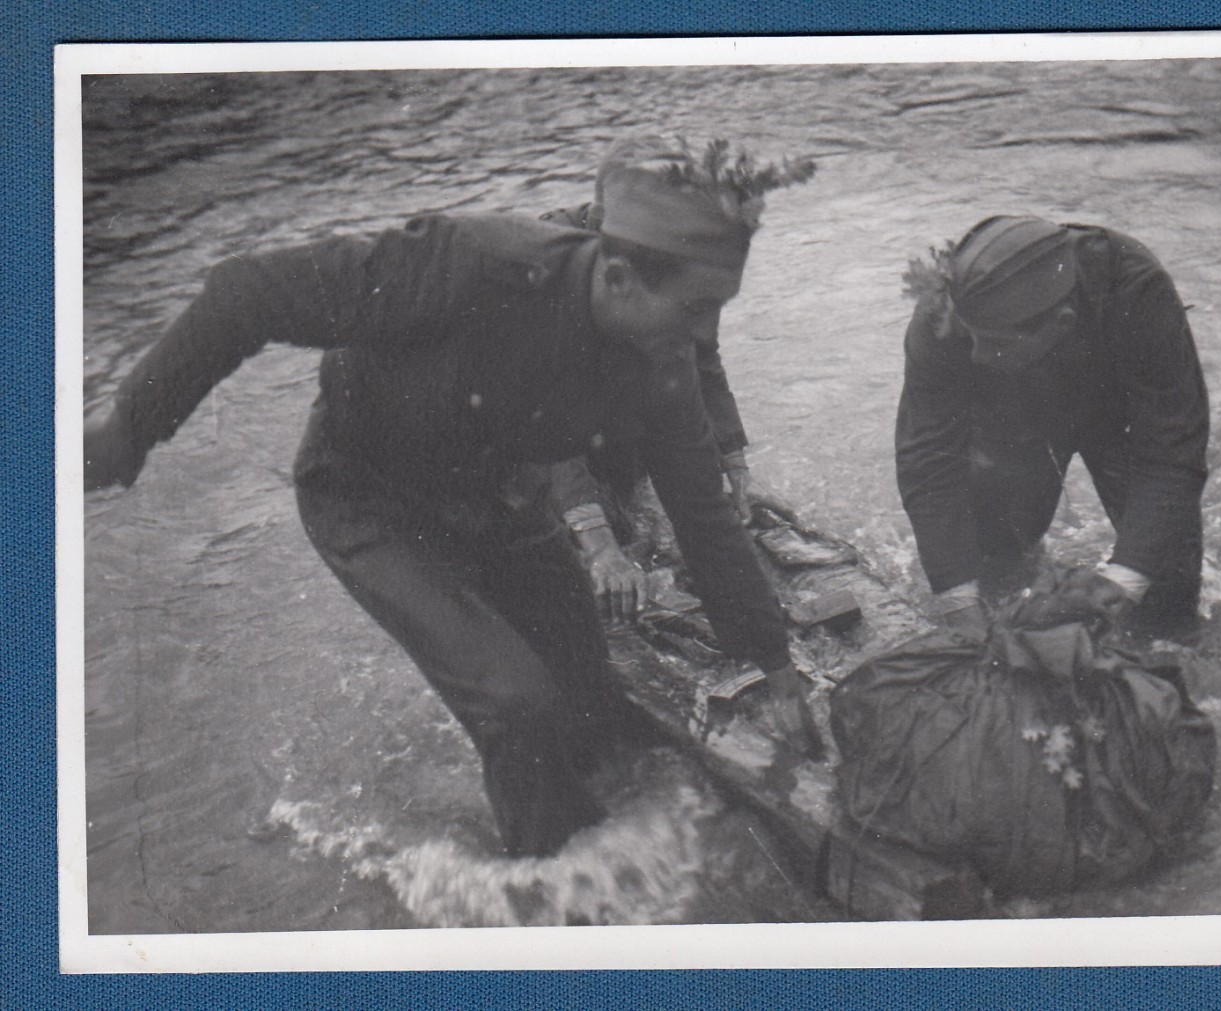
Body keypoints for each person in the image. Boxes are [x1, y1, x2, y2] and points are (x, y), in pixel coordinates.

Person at [83, 136, 821, 858]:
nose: (704, 335)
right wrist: (131, 431)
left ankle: (625, 850)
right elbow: (246, 292)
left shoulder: (663, 364)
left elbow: (703, 514)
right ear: (621, 276)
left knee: (592, 708)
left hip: (499, 496)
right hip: (370, 499)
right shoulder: (471, 263)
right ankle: (555, 894)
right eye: (695, 309)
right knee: (516, 706)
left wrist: (774, 665)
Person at [895, 215, 1210, 641]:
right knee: (996, 559)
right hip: (1011, 408)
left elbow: (1172, 450)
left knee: (1164, 583)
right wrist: (956, 602)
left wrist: (1126, 578)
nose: (979, 357)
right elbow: (927, 455)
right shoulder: (943, 315)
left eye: (995, 343)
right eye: (972, 338)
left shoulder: (1138, 290)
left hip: (1121, 409)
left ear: (1060, 323)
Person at [535, 140, 789, 611]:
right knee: (575, 536)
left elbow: (701, 357)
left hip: (612, 410)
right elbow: (540, 418)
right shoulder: (550, 265)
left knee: (652, 511)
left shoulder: (674, 248)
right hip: (536, 425)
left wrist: (735, 467)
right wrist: (600, 545)